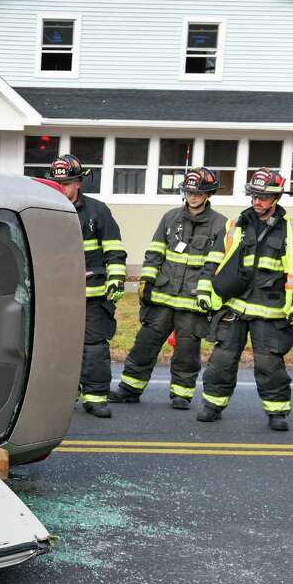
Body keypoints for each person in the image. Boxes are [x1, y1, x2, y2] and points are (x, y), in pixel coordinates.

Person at [197, 168, 293, 430]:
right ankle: (212, 405)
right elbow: (213, 262)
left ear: (276, 198)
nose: (257, 201)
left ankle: (277, 412)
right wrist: (204, 291)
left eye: (263, 197)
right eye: (254, 196)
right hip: (235, 306)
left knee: (269, 363)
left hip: (270, 309)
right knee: (222, 359)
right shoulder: (235, 225)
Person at [110, 167, 225, 409]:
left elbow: (216, 265)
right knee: (145, 344)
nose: (193, 197)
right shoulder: (170, 218)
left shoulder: (220, 225)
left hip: (192, 302)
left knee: (187, 351)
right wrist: (146, 284)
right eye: (189, 192)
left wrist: (207, 296)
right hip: (162, 297)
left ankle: (181, 394)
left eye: (198, 193)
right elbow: (154, 253)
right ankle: (129, 388)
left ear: (208, 194)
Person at [48, 154, 126, 418]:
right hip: (57, 296)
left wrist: (116, 279)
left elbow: (114, 249)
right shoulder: (45, 210)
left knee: (94, 347)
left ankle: (95, 398)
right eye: (57, 184)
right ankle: (63, 395)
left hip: (92, 295)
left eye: (66, 184)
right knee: (59, 348)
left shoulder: (97, 211)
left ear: (78, 182)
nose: (61, 189)